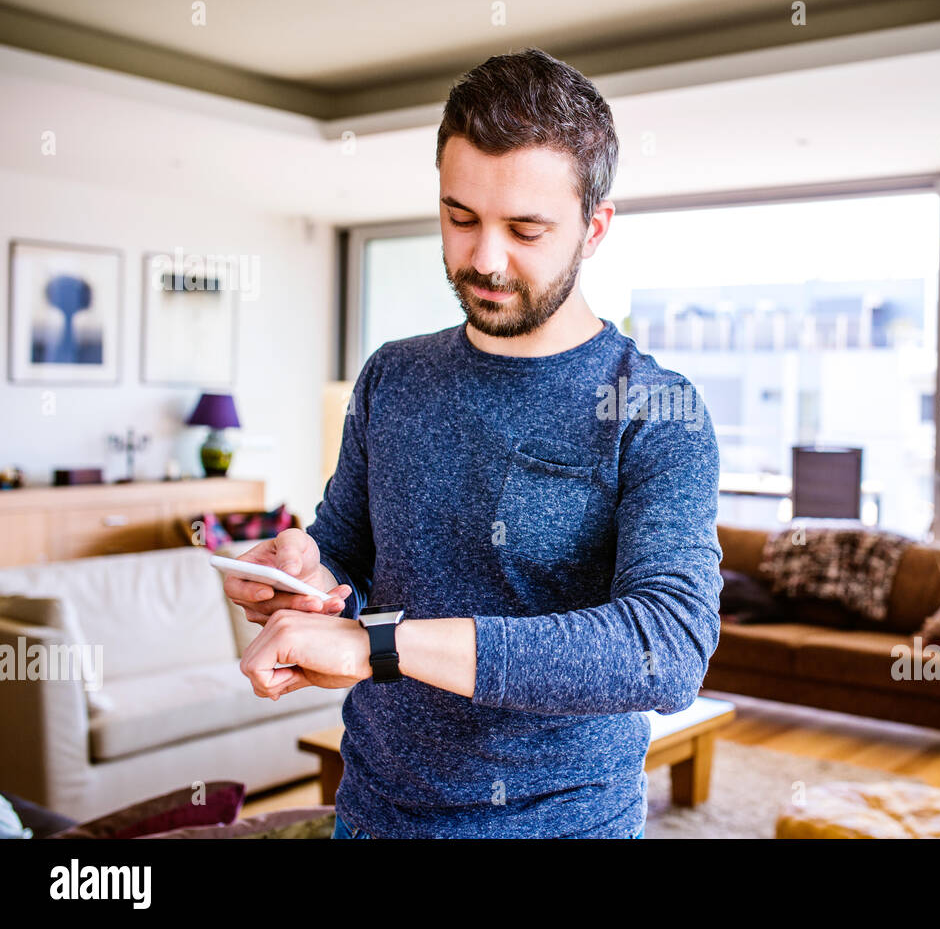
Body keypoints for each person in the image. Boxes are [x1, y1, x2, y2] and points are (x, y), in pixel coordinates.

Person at [220, 47, 723, 839]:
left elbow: (664, 648)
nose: (485, 258)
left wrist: (382, 646)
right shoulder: (393, 376)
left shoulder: (655, 408)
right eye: (461, 218)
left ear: (595, 229)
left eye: (526, 228)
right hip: (376, 813)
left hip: (564, 826)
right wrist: (305, 576)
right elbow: (346, 555)